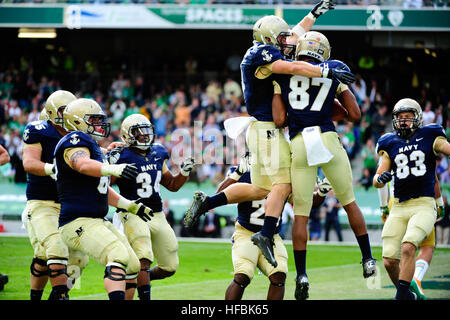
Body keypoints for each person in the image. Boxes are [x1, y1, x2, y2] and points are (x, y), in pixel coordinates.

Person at [183, 0, 354, 269]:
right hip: (267, 130)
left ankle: (207, 203)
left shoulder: (265, 48)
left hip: (261, 130)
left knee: (261, 188)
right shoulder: (260, 54)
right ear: (268, 39)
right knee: (283, 185)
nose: (288, 41)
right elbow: (295, 68)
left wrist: (313, 15)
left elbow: (295, 34)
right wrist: (325, 70)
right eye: (282, 37)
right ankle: (266, 235)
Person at [274, 31, 375, 299]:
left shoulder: (284, 72)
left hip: (299, 141)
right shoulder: (334, 68)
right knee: (349, 201)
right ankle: (367, 258)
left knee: (301, 214)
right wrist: (335, 94)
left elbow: (280, 119)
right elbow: (354, 115)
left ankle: (303, 274)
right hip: (327, 138)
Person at [55, 98, 153, 300]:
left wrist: (130, 206)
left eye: (100, 120)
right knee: (117, 254)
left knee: (133, 265)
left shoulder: (94, 148)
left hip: (96, 220)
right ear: (77, 121)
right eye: (94, 120)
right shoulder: (74, 141)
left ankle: (59, 295)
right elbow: (81, 164)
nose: (99, 125)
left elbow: (101, 189)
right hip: (77, 221)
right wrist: (114, 167)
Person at [108, 113, 195, 300]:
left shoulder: (158, 152)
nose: (144, 136)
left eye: (147, 131)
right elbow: (106, 184)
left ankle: (141, 279)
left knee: (170, 266)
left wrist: (184, 172)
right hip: (131, 212)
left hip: (157, 214)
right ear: (127, 136)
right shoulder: (121, 155)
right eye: (139, 132)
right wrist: (110, 164)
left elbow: (171, 185)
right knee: (143, 256)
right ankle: (144, 292)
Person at [219, 154, 329, 300]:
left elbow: (307, 202)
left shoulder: (284, 178)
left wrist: (321, 193)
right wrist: (237, 174)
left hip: (271, 237)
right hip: (246, 233)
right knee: (243, 276)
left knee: (279, 275)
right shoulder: (245, 171)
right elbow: (220, 195)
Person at [373, 98, 450, 300]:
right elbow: (377, 179)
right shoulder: (389, 142)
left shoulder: (431, 135)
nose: (403, 121)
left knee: (408, 247)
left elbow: (445, 148)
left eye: (407, 117)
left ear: (417, 118)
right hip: (398, 206)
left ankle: (400, 298)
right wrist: (380, 178)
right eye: (400, 117)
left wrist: (439, 201)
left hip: (423, 204)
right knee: (389, 260)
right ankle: (409, 297)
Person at [21, 90, 87, 301]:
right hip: (43, 203)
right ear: (51, 112)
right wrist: (53, 168)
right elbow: (29, 163)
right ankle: (57, 296)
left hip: (72, 205)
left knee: (79, 261)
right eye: (63, 110)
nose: (69, 114)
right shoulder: (39, 129)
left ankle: (56, 296)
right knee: (54, 250)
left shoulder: (80, 134)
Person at [378, 168, 446, 300]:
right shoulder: (425, 146)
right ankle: (415, 279)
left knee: (400, 251)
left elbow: (379, 180)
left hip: (395, 200)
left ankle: (405, 292)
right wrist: (439, 203)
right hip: (422, 200)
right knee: (425, 246)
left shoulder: (386, 148)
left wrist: (383, 205)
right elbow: (433, 177)